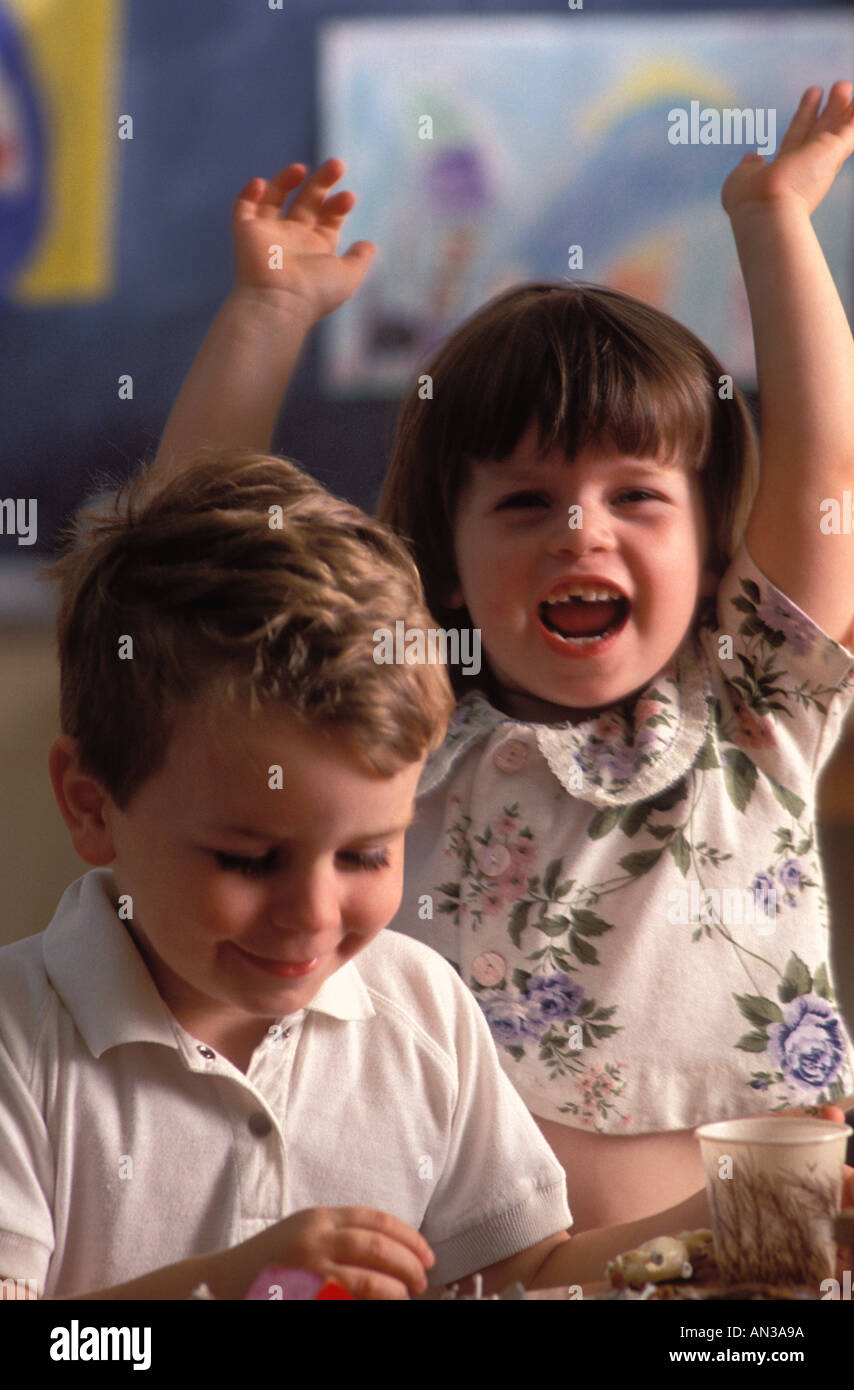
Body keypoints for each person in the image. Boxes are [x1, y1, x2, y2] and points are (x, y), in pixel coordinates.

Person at [147, 84, 854, 1233]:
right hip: (472, 1251)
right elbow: (188, 566)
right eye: (526, 502)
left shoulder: (752, 706)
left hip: (750, 1253)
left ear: (715, 538)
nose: (581, 531)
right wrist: (269, 312)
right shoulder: (399, 713)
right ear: (450, 561)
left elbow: (827, 475)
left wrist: (775, 216)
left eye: (635, 497)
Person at [2, 450, 732, 1301]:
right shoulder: (23, 1041)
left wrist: (728, 1224)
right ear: (91, 807)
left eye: (365, 855)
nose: (312, 915)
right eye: (247, 859)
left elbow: (522, 1279)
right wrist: (228, 1287)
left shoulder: (420, 1010)